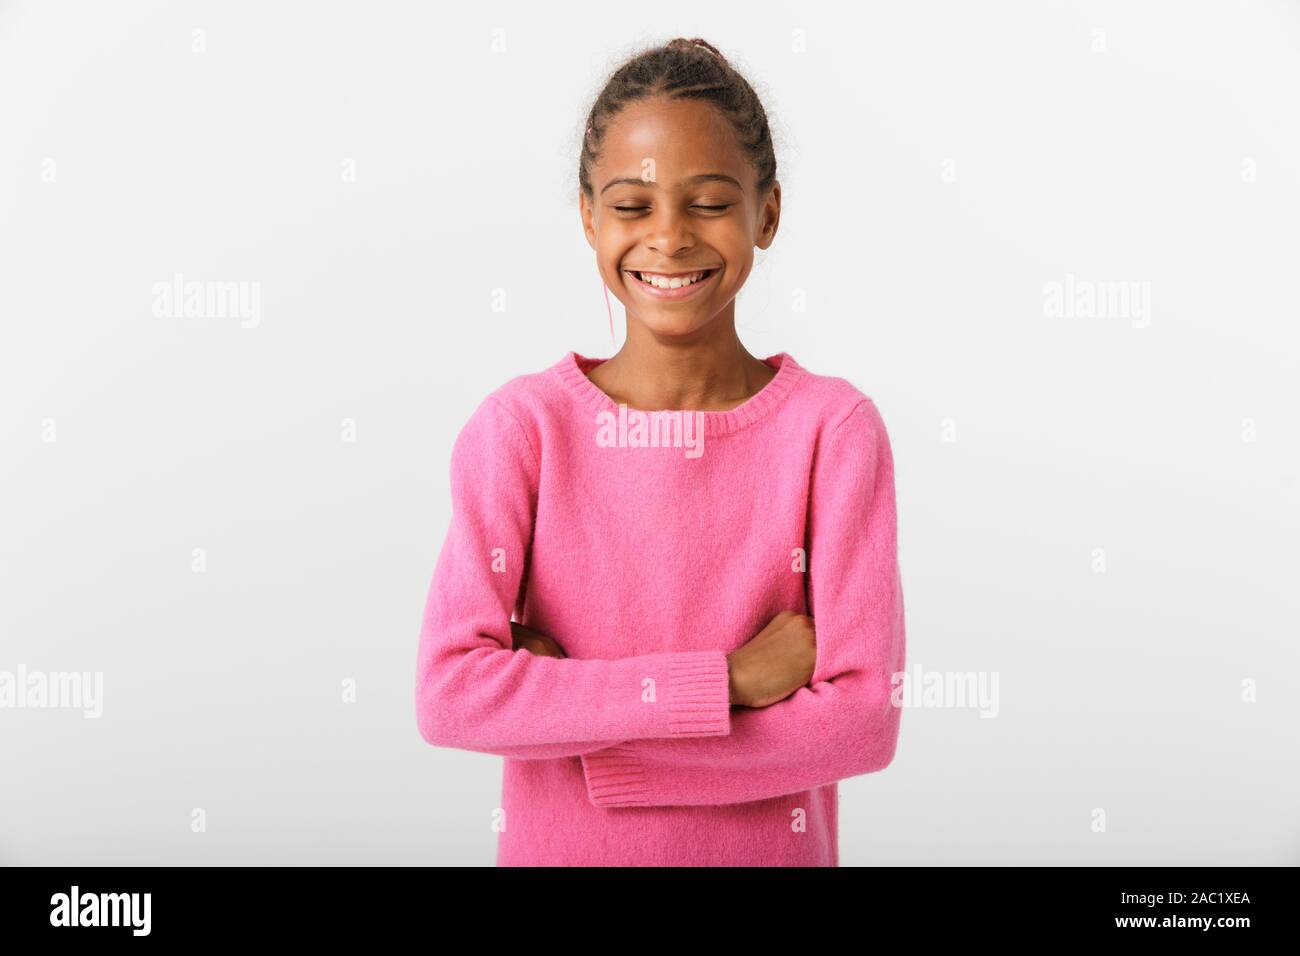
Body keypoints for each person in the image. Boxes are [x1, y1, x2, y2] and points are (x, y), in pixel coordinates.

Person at [415, 37, 906, 866]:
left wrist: (596, 738)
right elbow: (453, 694)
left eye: (709, 202)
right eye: (633, 208)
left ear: (768, 213)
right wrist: (730, 684)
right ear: (588, 217)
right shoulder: (522, 431)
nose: (669, 239)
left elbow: (860, 723)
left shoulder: (833, 433)